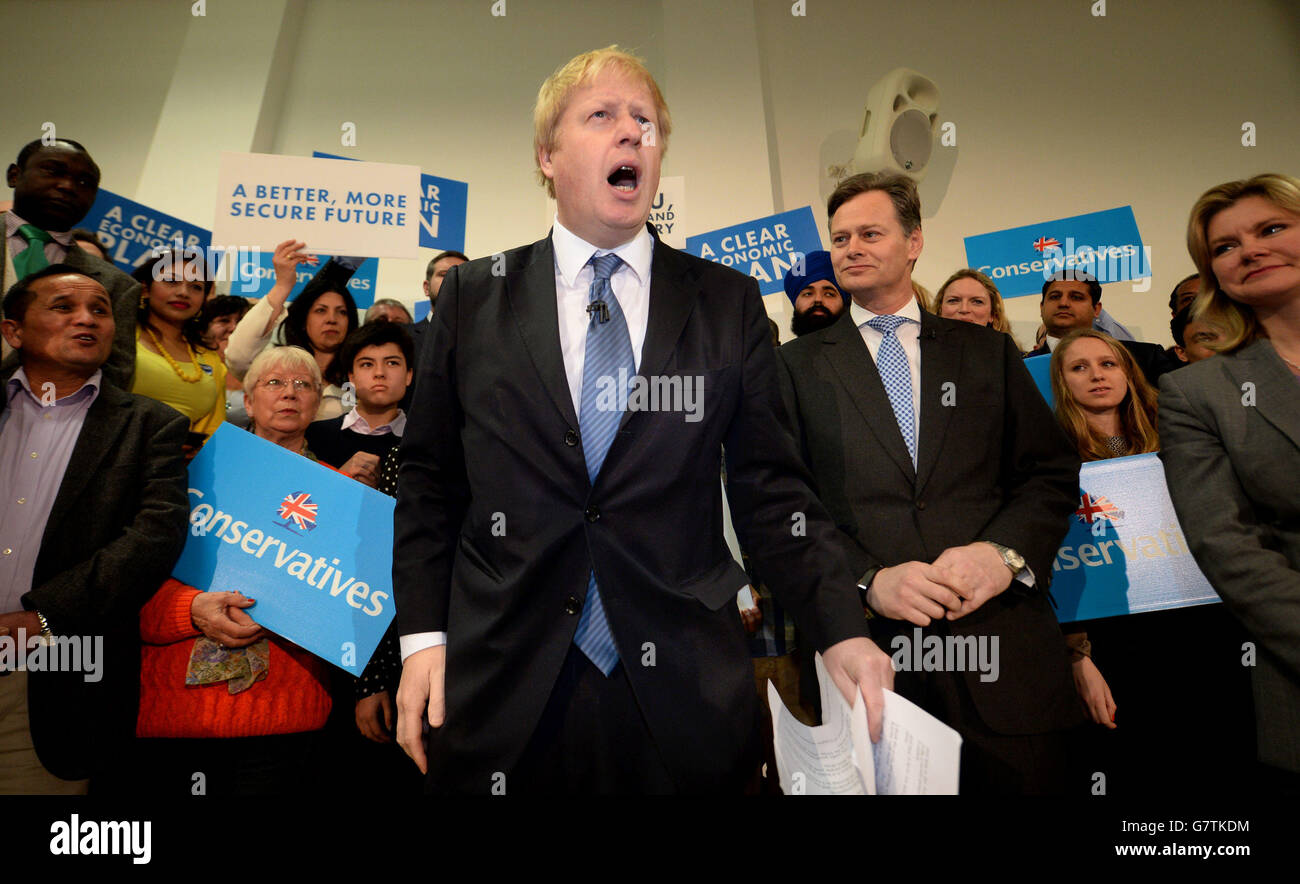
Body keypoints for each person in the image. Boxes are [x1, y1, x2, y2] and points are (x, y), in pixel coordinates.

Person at [393, 45, 892, 795]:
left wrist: (842, 628)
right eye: (602, 116)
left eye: (647, 123)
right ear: (548, 155)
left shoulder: (727, 303)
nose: (632, 134)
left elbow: (772, 494)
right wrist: (423, 638)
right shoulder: (472, 297)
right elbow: (431, 484)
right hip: (504, 680)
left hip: (682, 689)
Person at [777, 171, 1085, 795]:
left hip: (1005, 658)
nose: (851, 248)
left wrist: (1002, 556)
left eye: (870, 233)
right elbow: (784, 508)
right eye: (840, 238)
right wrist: (867, 579)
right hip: (872, 665)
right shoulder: (792, 367)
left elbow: (1049, 475)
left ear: (914, 241)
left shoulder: (987, 353)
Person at [0, 265, 189, 793]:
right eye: (63, 306)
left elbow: (154, 536)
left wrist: (42, 618)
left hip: (47, 684)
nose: (87, 319)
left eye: (100, 310)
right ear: (13, 331)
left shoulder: (150, 425)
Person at [1051, 326, 1255, 794]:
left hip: (1209, 627)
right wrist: (1077, 657)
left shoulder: (1184, 437)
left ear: (1128, 371)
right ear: (1062, 382)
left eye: (1108, 363)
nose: (1096, 375)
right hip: (1114, 643)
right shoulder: (1049, 461)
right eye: (1078, 367)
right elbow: (1055, 568)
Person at [135, 346, 338, 796]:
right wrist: (191, 608)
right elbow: (133, 578)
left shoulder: (340, 496)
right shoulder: (188, 475)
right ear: (247, 401)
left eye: (304, 385)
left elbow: (345, 610)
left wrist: (289, 610)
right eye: (274, 383)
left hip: (284, 718)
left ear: (318, 403)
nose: (290, 393)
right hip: (175, 715)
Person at [1160, 172, 1300, 796]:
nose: (1249, 250)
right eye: (1224, 247)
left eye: (1272, 229)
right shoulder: (1197, 392)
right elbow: (1227, 543)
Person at [2, 139, 138, 389]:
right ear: (14, 175)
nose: (67, 186)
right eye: (53, 171)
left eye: (85, 183)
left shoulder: (117, 285)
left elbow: (115, 376)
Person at [225, 240, 361, 420]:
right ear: (303, 321)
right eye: (321, 310)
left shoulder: (358, 376)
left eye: (341, 312)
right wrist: (282, 285)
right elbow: (238, 356)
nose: (331, 319)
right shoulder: (275, 365)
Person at [129, 248, 226, 447]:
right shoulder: (122, 336)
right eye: (171, 281)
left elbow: (214, 430)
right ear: (146, 289)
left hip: (177, 469)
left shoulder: (209, 358)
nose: (183, 292)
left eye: (196, 287)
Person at [1023, 270, 1175, 386]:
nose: (1063, 303)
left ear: (1096, 309)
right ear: (1042, 308)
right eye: (1055, 296)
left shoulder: (1146, 357)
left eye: (1076, 297)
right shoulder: (1019, 366)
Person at [305, 320, 412, 478]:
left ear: (409, 375)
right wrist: (340, 476)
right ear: (351, 377)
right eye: (367, 364)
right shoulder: (314, 436)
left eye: (392, 363)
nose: (379, 373)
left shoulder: (425, 443)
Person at [931, 268, 1021, 349]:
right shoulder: (920, 359)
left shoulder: (1014, 361)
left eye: (977, 302)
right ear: (940, 309)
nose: (964, 309)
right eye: (953, 300)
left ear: (993, 314)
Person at [410, 249, 468, 361]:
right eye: (444, 274)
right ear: (427, 287)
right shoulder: (405, 337)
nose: (453, 280)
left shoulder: (489, 339)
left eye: (462, 275)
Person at [783, 249, 845, 337]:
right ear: (795, 302)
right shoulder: (783, 351)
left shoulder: (866, 347)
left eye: (829, 294)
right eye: (808, 294)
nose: (818, 300)